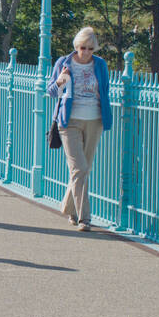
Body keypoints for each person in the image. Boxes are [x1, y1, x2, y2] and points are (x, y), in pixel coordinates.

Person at [47, 26, 114, 232]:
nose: (86, 52)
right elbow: (51, 92)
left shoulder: (100, 65)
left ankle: (70, 209)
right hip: (69, 122)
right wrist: (61, 79)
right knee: (79, 169)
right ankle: (85, 218)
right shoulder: (64, 63)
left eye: (90, 49)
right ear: (76, 46)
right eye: (83, 47)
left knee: (83, 170)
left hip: (94, 120)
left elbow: (104, 90)